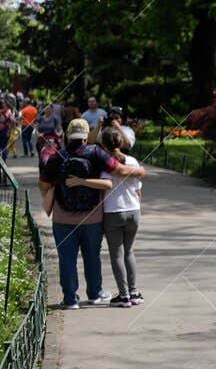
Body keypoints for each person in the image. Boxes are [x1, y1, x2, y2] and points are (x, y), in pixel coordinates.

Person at [39, 118, 145, 309]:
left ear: (66, 135)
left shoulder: (56, 157)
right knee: (92, 256)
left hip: (63, 219)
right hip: (93, 217)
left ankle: (70, 299)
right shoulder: (96, 153)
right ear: (86, 137)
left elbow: (44, 184)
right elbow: (119, 170)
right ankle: (95, 294)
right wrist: (139, 171)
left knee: (67, 258)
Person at [99, 125, 144, 307]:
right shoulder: (132, 161)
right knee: (129, 251)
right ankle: (134, 292)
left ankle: (123, 295)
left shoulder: (105, 163)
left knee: (116, 254)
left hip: (113, 211)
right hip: (134, 209)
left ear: (103, 145)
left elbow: (102, 188)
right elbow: (139, 189)